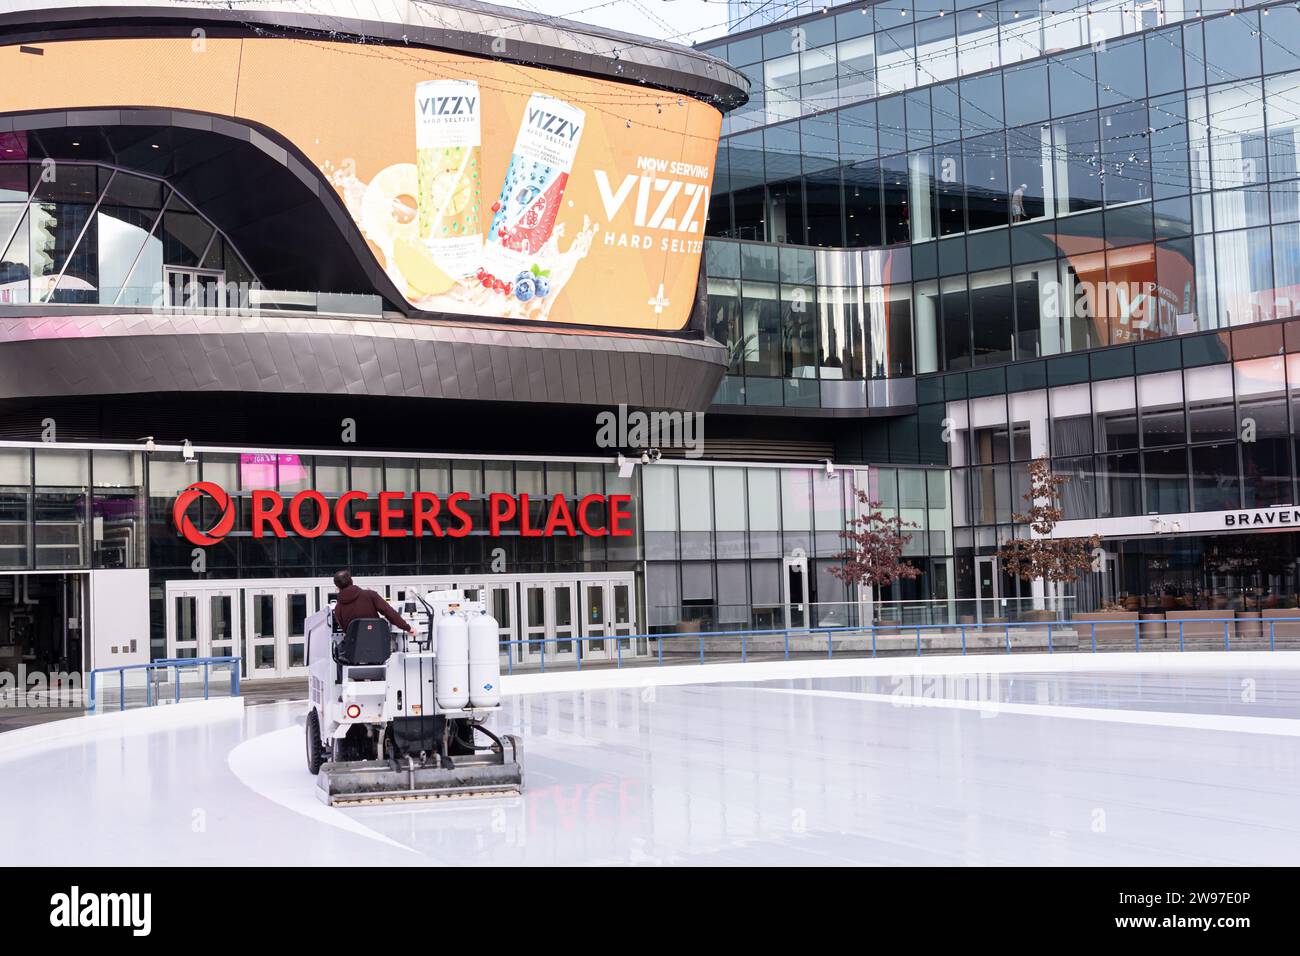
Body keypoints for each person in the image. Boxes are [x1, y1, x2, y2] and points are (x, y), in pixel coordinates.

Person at [331, 569, 415, 635]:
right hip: (377, 646)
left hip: (354, 651)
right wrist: (408, 628)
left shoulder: (338, 608)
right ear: (351, 580)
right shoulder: (370, 595)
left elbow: (346, 630)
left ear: (337, 586)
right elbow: (389, 613)